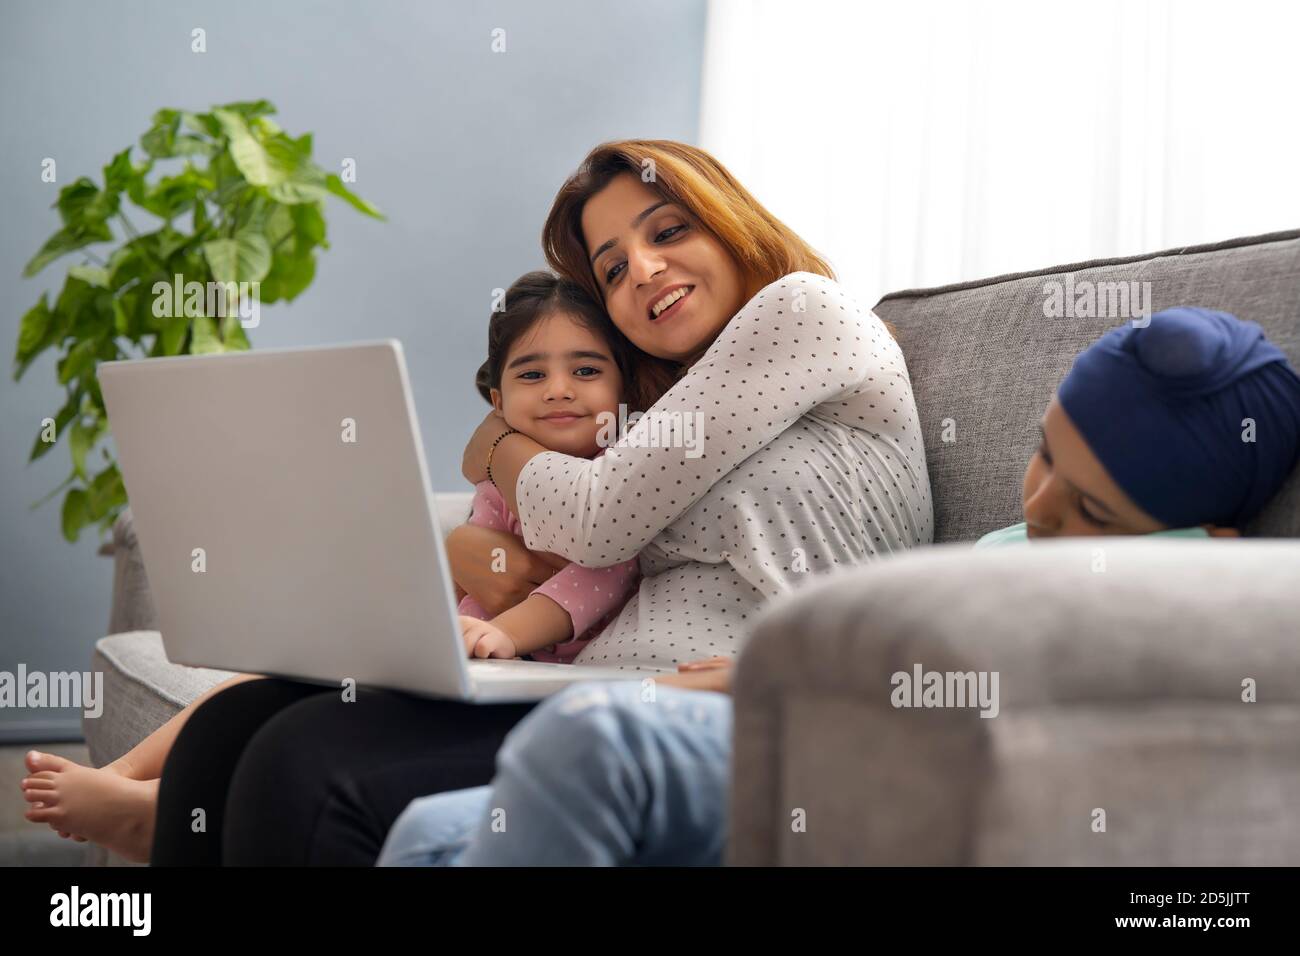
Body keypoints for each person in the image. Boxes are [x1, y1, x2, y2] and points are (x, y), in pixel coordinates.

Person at [145, 139, 933, 865]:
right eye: (614, 269)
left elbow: (594, 519)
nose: (646, 270)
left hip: (701, 709)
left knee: (306, 766)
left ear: (729, 222)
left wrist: (495, 442)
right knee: (228, 732)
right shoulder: (662, 404)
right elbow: (548, 540)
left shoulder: (806, 312)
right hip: (589, 684)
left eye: (667, 231)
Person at [376, 305, 1300, 866]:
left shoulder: (1181, 602)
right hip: (808, 730)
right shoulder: (1022, 543)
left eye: (1093, 511)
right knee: (429, 830)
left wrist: (775, 674)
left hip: (877, 770)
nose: (1044, 509)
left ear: (1204, 547)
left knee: (599, 740)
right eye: (1045, 455)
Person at [18, 269, 644, 861]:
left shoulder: (620, 485)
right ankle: (122, 775)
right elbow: (471, 567)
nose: (559, 388)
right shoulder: (499, 484)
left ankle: (157, 808)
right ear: (495, 398)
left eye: (586, 369)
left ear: (626, 387)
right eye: (532, 375)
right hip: (464, 656)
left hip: (533, 674)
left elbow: (598, 576)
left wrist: (504, 632)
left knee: (319, 732)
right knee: (264, 684)